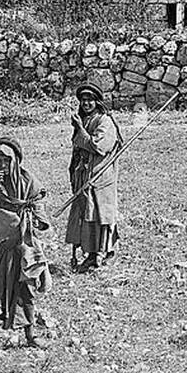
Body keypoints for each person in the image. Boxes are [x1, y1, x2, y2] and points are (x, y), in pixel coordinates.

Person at [0, 137, 51, 351]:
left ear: (15, 162)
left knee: (26, 285)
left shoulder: (29, 182)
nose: (2, 165)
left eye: (6, 161)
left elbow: (39, 209)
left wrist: (39, 218)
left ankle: (31, 334)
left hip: (22, 238)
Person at [66, 83, 124, 272]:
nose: (86, 103)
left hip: (101, 177)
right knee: (87, 215)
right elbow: (78, 147)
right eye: (83, 100)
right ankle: (91, 254)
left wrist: (80, 130)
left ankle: (105, 252)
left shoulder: (105, 122)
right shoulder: (85, 120)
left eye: (90, 100)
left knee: (102, 214)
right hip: (84, 175)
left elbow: (98, 146)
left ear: (97, 102)